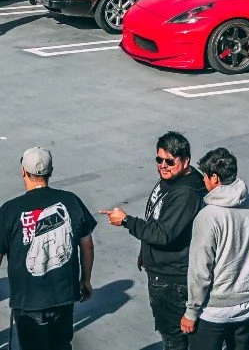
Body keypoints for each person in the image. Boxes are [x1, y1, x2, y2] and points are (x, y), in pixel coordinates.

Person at [0, 147, 97, 350]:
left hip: (28, 302)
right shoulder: (71, 200)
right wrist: (85, 280)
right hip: (64, 296)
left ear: (23, 171)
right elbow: (87, 245)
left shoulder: (10, 210)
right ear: (50, 171)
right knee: (61, 345)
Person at [104, 131, 204, 350]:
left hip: (172, 279)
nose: (163, 165)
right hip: (161, 269)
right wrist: (145, 251)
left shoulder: (186, 193)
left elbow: (163, 233)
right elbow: (155, 217)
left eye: (170, 161)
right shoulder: (170, 180)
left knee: (173, 336)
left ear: (185, 161)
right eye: (159, 159)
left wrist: (126, 221)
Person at [182, 147, 249, 350]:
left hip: (214, 311)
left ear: (214, 178)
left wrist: (191, 312)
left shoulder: (208, 216)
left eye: (205, 177)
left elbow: (200, 271)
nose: (204, 182)